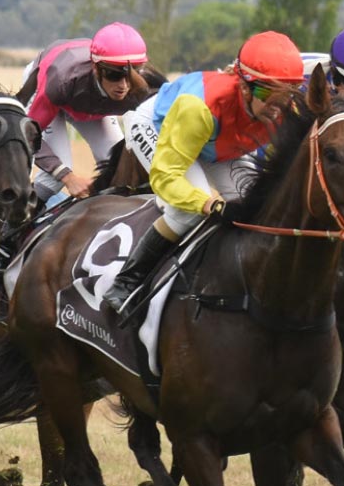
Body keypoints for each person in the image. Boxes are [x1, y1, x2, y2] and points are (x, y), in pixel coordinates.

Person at [98, 31, 306, 317]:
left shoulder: (285, 109)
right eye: (266, 93)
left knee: (255, 208)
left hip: (215, 143)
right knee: (188, 212)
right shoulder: (199, 108)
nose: (277, 106)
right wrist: (206, 202)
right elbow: (165, 178)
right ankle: (126, 282)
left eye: (286, 95)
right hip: (161, 126)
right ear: (244, 87)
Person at [21, 22, 154, 207]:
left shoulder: (142, 87)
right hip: (51, 87)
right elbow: (27, 135)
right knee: (53, 180)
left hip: (89, 103)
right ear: (96, 68)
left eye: (131, 75)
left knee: (120, 167)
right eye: (114, 75)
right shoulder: (60, 81)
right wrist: (67, 177)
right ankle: (15, 229)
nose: (123, 85)